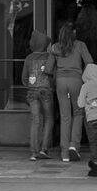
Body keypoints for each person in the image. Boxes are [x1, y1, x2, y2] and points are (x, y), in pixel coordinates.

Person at [50, 22, 94, 162]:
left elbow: (48, 68)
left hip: (61, 83)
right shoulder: (80, 45)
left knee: (65, 116)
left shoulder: (55, 47)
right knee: (78, 113)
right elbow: (90, 63)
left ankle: (64, 153)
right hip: (76, 82)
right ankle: (74, 145)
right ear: (74, 32)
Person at [20, 30, 56, 160]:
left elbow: (24, 78)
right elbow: (53, 74)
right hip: (46, 90)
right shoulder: (49, 57)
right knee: (49, 118)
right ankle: (44, 149)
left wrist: (30, 84)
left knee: (35, 120)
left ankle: (33, 152)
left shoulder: (29, 58)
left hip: (32, 91)